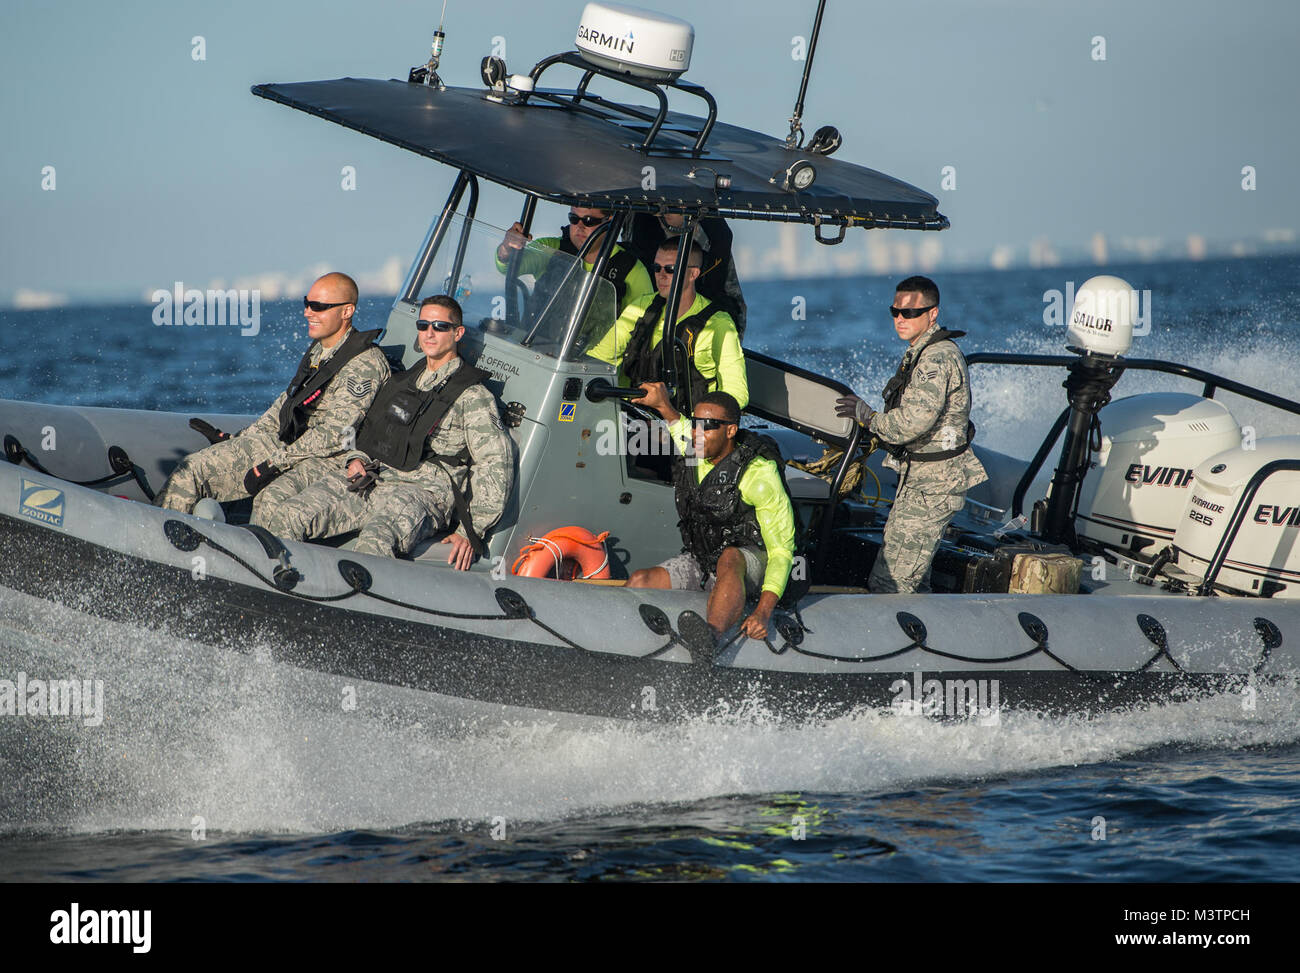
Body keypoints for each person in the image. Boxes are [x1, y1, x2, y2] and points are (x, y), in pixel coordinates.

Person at [257, 295, 514, 566]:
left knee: (375, 541)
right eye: (423, 325)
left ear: (457, 332)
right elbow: (368, 431)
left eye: (439, 326)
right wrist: (356, 458)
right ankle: (278, 581)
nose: (429, 333)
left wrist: (470, 530)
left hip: (424, 492)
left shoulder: (473, 396)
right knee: (291, 514)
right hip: (375, 477)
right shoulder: (401, 383)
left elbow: (495, 464)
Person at [155, 272, 390, 520]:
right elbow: (287, 403)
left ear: (347, 311)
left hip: (322, 457)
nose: (307, 312)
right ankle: (154, 538)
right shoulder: (320, 351)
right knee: (193, 468)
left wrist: (275, 463)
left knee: (268, 503)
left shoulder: (363, 363)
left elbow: (335, 435)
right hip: (289, 443)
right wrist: (240, 437)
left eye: (319, 307)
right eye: (306, 303)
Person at [834, 276, 988, 593]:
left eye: (911, 313)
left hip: (933, 483)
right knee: (915, 581)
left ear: (933, 314)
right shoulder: (921, 351)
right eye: (895, 312)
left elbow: (913, 422)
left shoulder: (936, 357)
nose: (900, 319)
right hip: (921, 477)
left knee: (890, 583)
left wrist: (868, 418)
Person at [626, 383, 796, 645]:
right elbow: (677, 425)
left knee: (730, 557)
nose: (697, 433)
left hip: (750, 565)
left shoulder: (759, 476)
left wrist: (763, 612)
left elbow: (781, 552)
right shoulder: (696, 450)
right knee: (641, 579)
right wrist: (662, 404)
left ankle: (710, 639)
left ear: (730, 430)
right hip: (705, 561)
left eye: (708, 426)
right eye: (695, 423)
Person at [585, 237, 748, 411]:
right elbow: (599, 358)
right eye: (656, 268)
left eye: (670, 269)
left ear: (693, 274)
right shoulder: (642, 306)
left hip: (687, 428)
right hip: (635, 420)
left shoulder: (718, 324)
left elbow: (737, 395)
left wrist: (701, 423)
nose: (661, 276)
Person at [496, 205, 652, 338]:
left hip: (590, 369)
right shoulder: (551, 249)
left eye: (589, 221)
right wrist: (506, 248)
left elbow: (642, 331)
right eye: (574, 219)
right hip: (533, 352)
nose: (580, 226)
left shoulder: (632, 270)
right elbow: (508, 267)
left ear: (610, 221)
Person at [625, 211, 747, 337]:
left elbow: (735, 307)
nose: (665, 210)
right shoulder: (638, 223)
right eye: (657, 268)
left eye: (671, 268)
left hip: (702, 322)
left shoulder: (711, 241)